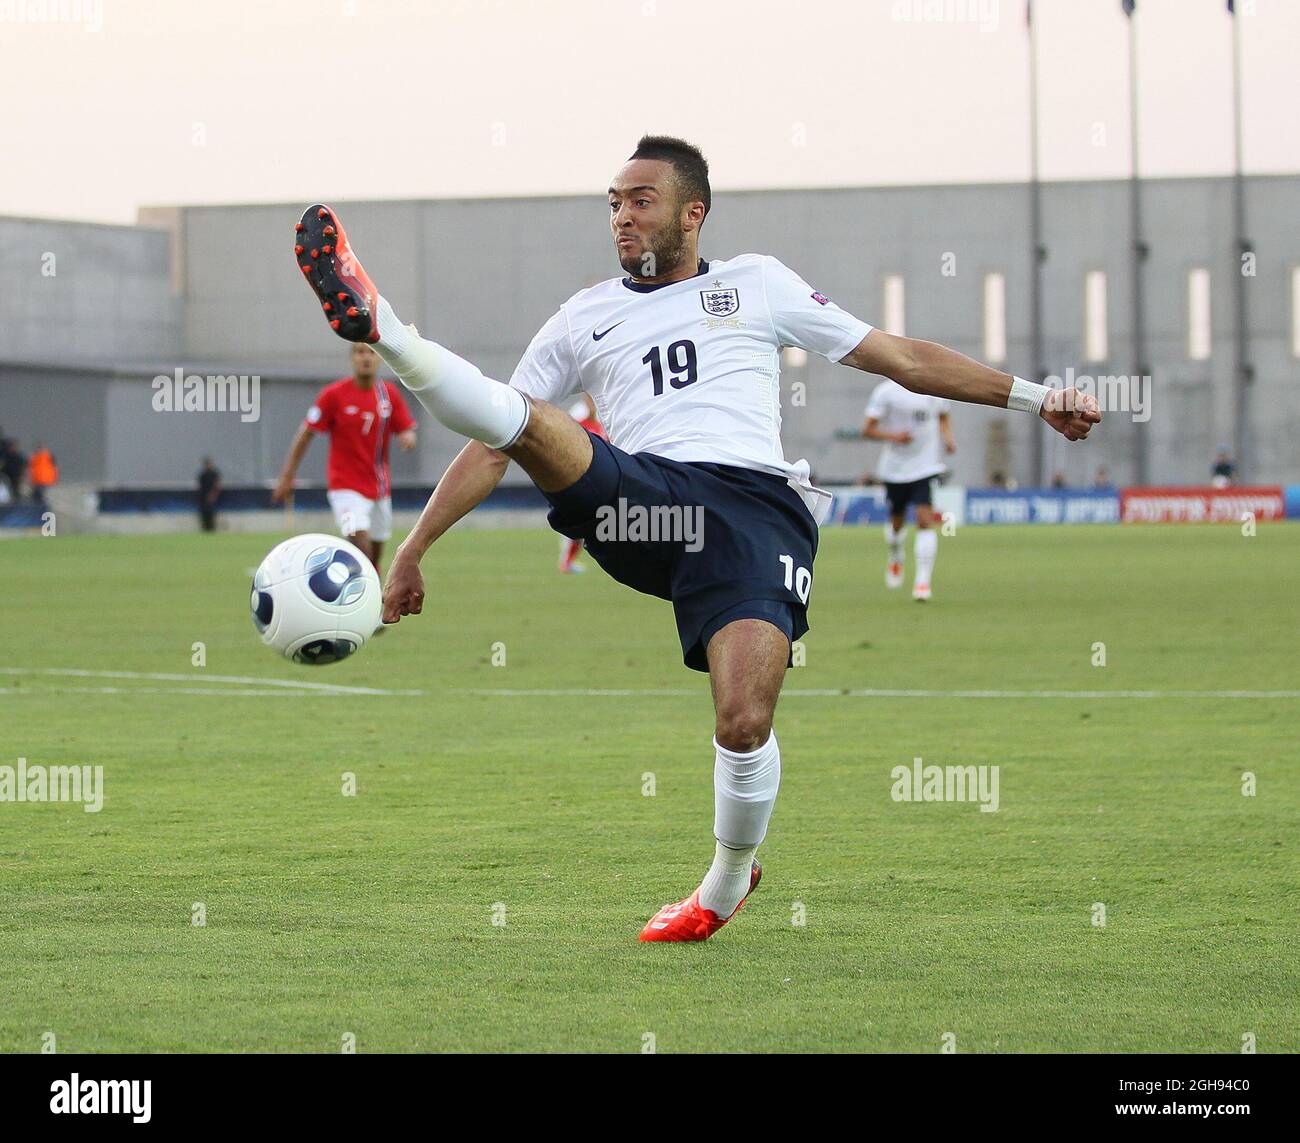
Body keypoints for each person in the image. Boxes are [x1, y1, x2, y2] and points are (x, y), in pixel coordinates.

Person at [290, 136, 1100, 942]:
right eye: (613, 202)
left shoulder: (758, 282)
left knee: (743, 720)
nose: (622, 217)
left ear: (693, 211)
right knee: (528, 417)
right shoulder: (584, 316)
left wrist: (1034, 398)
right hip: (643, 498)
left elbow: (901, 357)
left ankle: (726, 878)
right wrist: (413, 547)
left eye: (640, 200)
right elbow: (495, 445)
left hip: (755, 510)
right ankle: (387, 327)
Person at [272, 342, 417, 572]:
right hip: (345, 489)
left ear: (379, 359)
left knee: (374, 557)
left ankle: (368, 601)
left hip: (379, 489)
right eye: (360, 352)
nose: (366, 358)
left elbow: (406, 428)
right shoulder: (333, 395)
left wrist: (408, 437)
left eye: (371, 352)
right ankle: (361, 604)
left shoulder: (387, 394)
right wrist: (287, 476)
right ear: (352, 358)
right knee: (360, 548)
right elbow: (306, 433)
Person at [860, 381, 955, 600]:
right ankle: (896, 555)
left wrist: (948, 438)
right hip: (895, 470)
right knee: (897, 522)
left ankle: (922, 582)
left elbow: (943, 415)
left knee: (924, 519)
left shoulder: (933, 386)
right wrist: (895, 437)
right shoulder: (886, 392)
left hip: (926, 467)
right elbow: (867, 429)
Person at [558, 394, 606, 574]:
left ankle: (569, 561)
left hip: (599, 479)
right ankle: (567, 561)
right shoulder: (578, 417)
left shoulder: (605, 416)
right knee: (578, 521)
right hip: (579, 479)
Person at [27, 443, 58, 509]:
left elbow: (54, 468)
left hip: (43, 479)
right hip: (38, 479)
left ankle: (42, 507)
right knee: (38, 494)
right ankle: (41, 507)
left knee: (39, 494)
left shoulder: (45, 456)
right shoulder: (35, 457)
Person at [197, 457, 222, 532]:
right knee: (204, 514)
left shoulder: (214, 474)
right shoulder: (202, 474)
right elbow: (200, 486)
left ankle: (212, 529)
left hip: (212, 496)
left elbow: (217, 485)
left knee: (211, 513)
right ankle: (205, 529)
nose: (208, 465)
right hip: (203, 497)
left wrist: (214, 495)